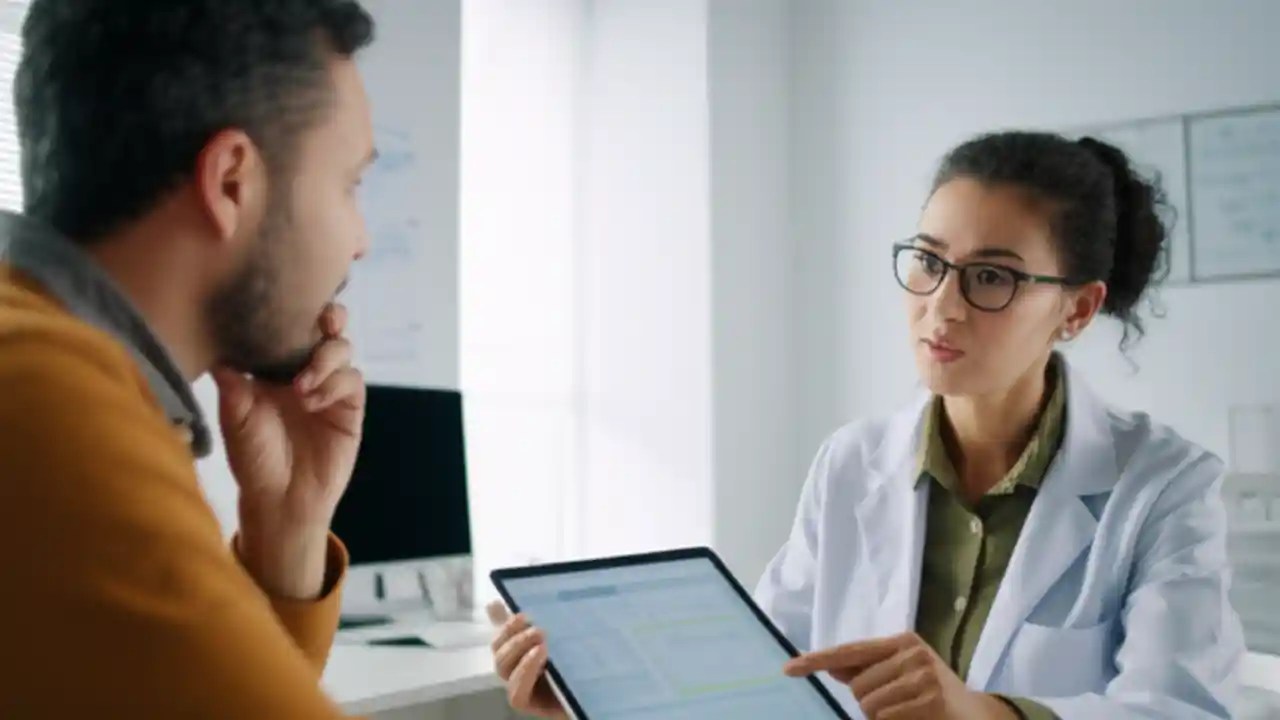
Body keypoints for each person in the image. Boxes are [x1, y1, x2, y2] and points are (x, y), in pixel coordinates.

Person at [489, 131, 1246, 719]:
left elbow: (1179, 708)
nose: (941, 306)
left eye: (992, 277)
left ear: (1076, 309)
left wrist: (981, 712)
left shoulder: (1163, 486)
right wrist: (598, 703)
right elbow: (769, 684)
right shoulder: (851, 463)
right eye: (928, 261)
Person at [0, 1, 380, 716]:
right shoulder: (41, 398)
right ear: (232, 180)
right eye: (350, 185)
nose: (359, 240)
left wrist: (289, 533)